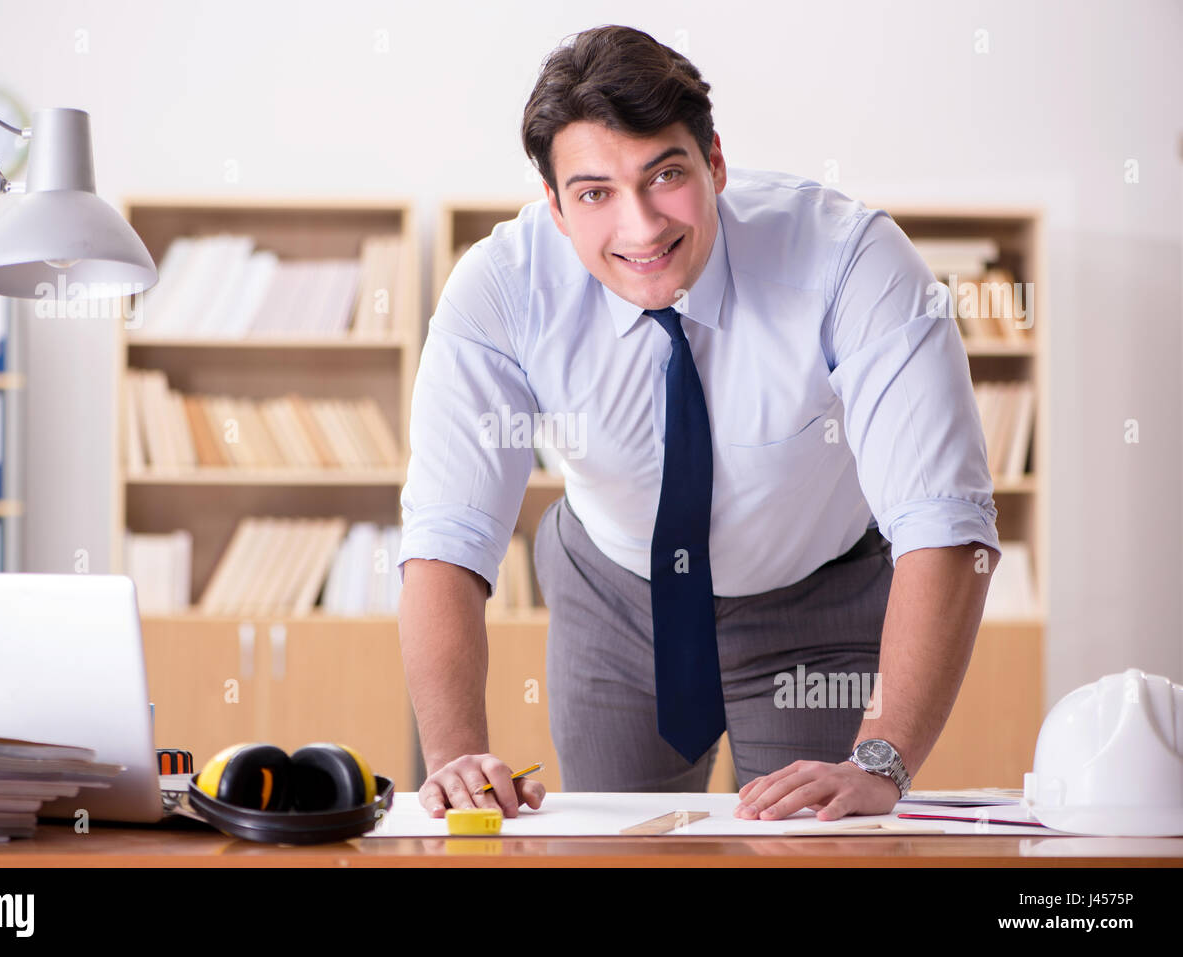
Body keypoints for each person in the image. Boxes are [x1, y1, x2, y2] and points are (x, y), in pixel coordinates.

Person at [396, 24, 1000, 822]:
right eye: (594, 193)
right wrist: (455, 757)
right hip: (614, 593)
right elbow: (448, 534)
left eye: (666, 175)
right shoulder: (501, 290)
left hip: (813, 598)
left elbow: (943, 520)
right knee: (617, 846)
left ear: (715, 161)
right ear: (554, 203)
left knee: (811, 839)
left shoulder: (849, 259)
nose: (641, 226)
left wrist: (883, 759)